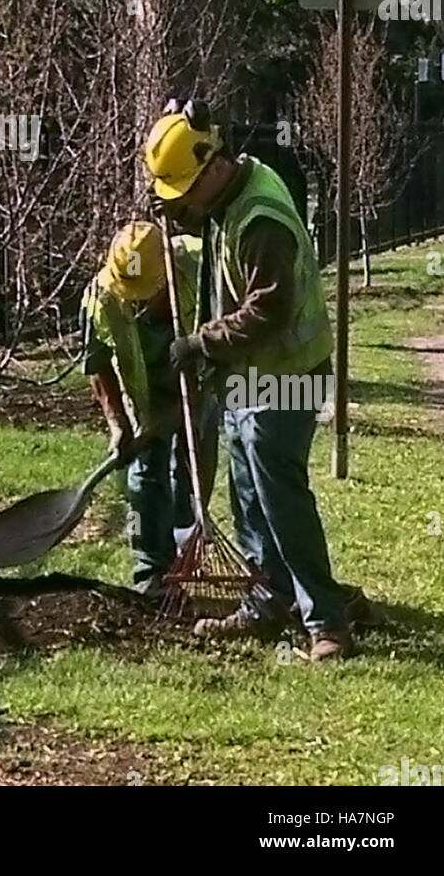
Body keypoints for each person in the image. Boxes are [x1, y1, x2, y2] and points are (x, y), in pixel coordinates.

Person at [144, 99, 366, 660]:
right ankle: (266, 603)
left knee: (280, 498)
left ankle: (326, 623)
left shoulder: (259, 220)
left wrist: (201, 343)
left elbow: (267, 310)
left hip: (287, 378)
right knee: (248, 496)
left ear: (213, 170)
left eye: (183, 195)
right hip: (252, 376)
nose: (182, 210)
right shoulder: (231, 188)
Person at [81, 220, 218, 599]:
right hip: (143, 397)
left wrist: (189, 400)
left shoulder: (201, 266)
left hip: (201, 383)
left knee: (192, 471)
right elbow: (96, 362)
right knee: (143, 481)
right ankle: (151, 570)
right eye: (132, 295)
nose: (137, 304)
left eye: (147, 293)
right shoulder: (102, 295)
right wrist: (118, 423)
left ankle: (186, 551)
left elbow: (230, 333)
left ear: (168, 272)